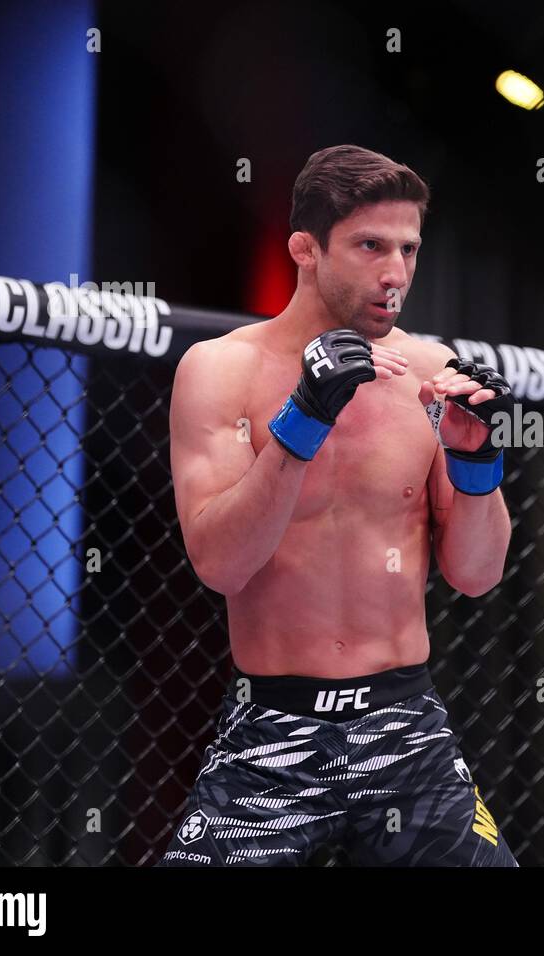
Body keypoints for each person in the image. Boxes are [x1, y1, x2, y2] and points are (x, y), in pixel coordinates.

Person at [159, 144, 518, 866]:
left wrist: (475, 462)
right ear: (305, 250)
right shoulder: (222, 371)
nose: (396, 274)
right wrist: (304, 420)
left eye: (409, 249)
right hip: (275, 733)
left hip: (405, 729)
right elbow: (222, 564)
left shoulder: (431, 371)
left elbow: (476, 575)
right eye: (370, 246)